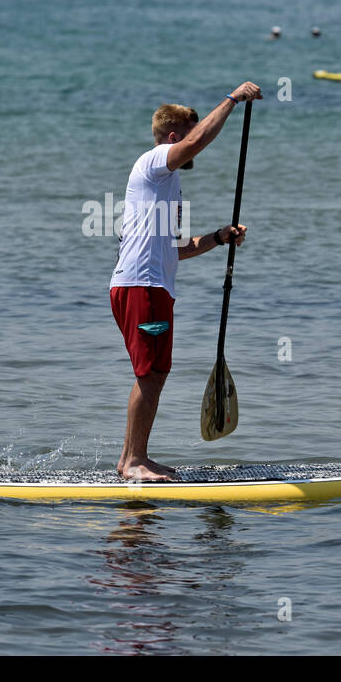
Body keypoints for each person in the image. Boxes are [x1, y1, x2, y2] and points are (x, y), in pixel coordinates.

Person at [110, 81, 262, 481]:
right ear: (175, 137)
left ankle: (132, 458)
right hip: (142, 287)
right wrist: (232, 100)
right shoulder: (156, 161)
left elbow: (174, 250)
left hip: (151, 286)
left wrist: (217, 238)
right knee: (150, 373)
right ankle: (134, 462)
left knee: (154, 372)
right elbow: (195, 145)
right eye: (190, 134)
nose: (196, 146)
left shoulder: (165, 188)